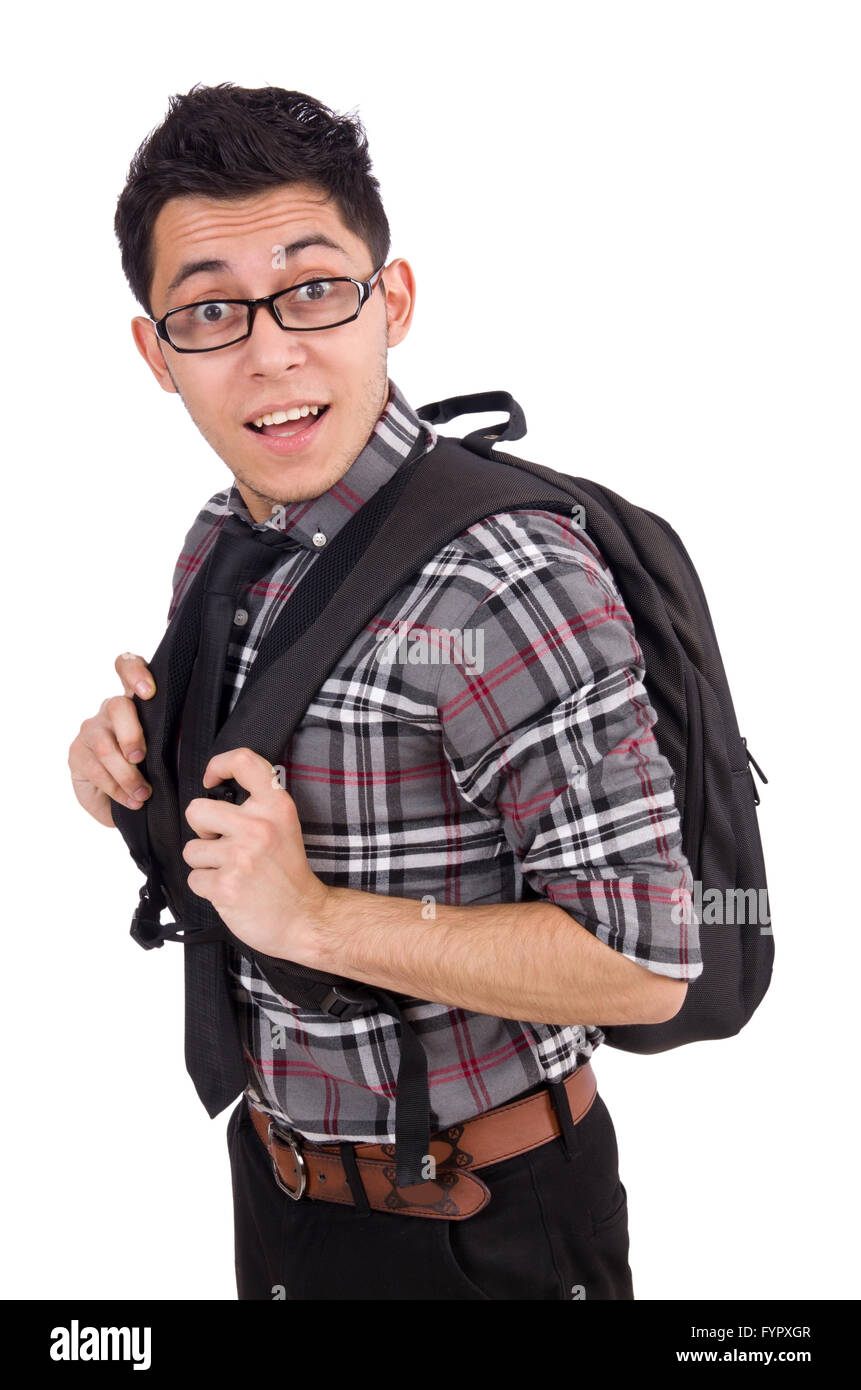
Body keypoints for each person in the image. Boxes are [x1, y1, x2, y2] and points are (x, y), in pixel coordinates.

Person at [68, 82, 703, 1301]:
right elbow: (263, 828)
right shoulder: (223, 540)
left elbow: (645, 958)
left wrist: (311, 919)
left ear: (390, 300)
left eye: (313, 289)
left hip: (482, 1227)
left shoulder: (505, 580)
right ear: (157, 352)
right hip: (281, 1191)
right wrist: (127, 772)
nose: (270, 349)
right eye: (210, 311)